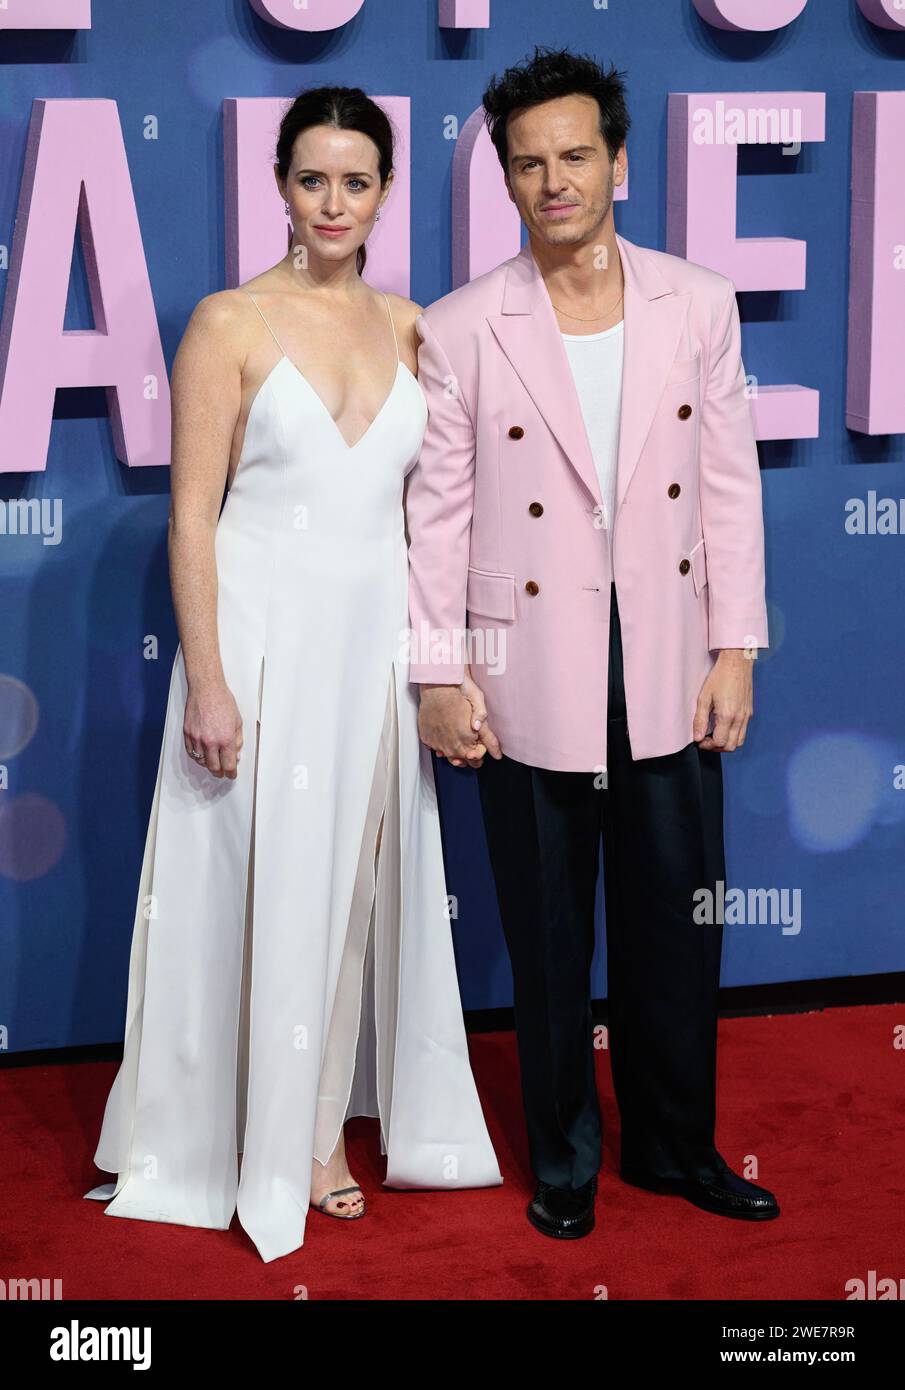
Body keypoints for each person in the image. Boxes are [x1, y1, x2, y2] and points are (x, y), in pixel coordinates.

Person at [84, 85, 501, 1264]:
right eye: (311, 179)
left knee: (353, 888)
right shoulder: (227, 322)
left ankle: (317, 1128)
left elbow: (440, 526)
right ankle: (216, 1125)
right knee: (243, 886)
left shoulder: (415, 325)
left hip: (371, 650)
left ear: (383, 191)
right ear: (279, 185)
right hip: (259, 646)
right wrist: (207, 681)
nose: (332, 201)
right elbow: (192, 521)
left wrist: (442, 668)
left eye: (354, 180)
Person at [406, 46, 780, 1238]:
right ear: (506, 183)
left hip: (668, 656)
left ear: (617, 163)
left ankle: (676, 1147)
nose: (553, 180)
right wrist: (435, 669)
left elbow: (729, 485)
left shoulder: (697, 302)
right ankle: (563, 1157)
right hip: (527, 671)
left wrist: (736, 646)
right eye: (528, 163)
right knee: (548, 937)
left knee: (676, 926)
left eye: (574, 155)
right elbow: (436, 513)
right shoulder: (463, 326)